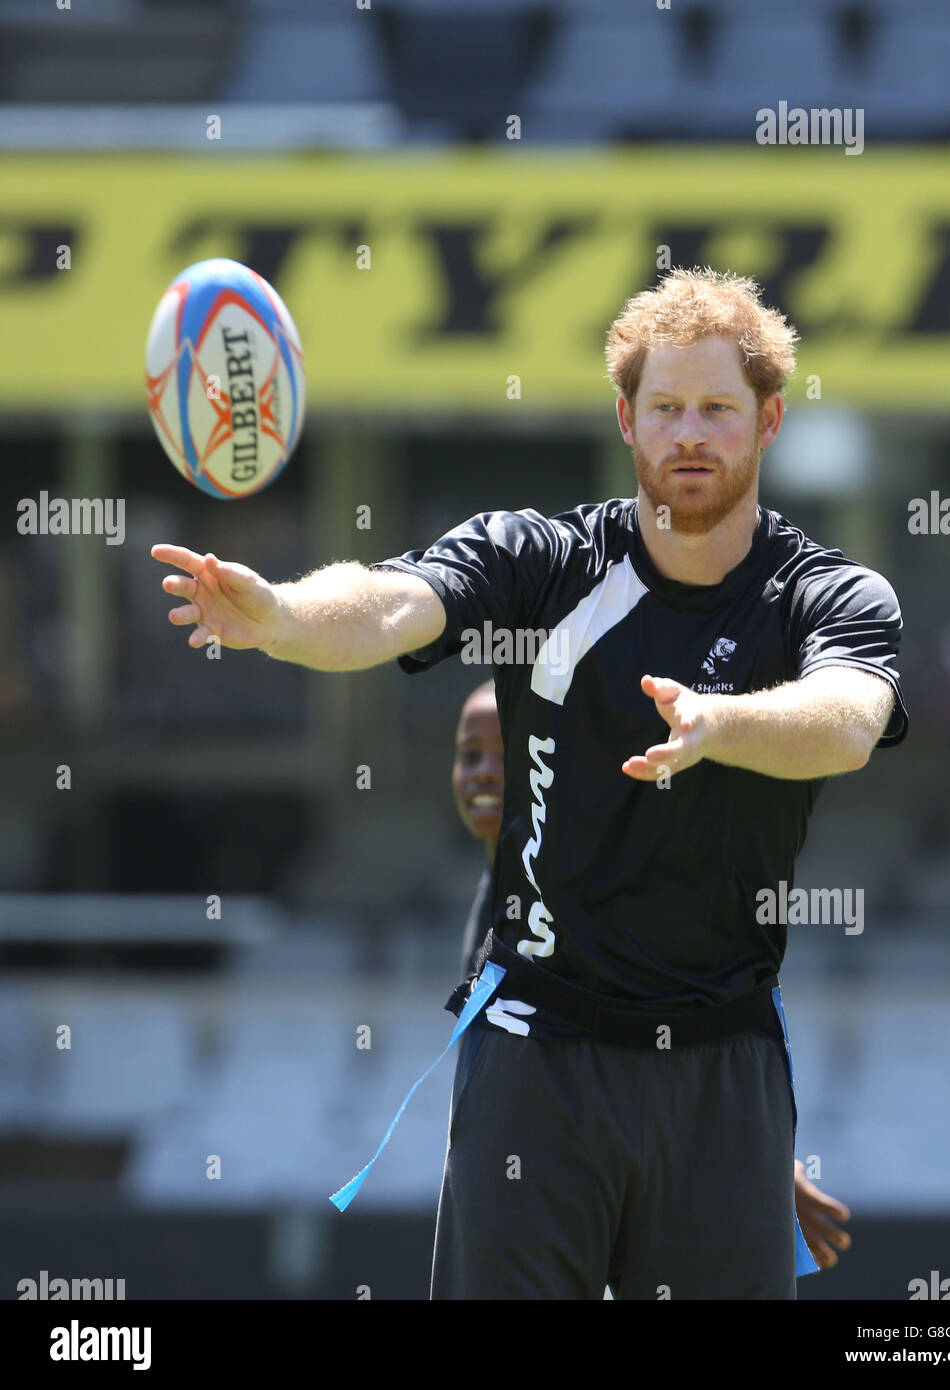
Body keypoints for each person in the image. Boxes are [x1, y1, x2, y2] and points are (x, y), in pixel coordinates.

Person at [152, 265, 907, 1299]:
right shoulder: (540, 561)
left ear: (768, 419)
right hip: (538, 1057)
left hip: (724, 1074)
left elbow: (849, 719)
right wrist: (281, 615)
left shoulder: (827, 592)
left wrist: (718, 722)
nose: (691, 432)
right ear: (625, 418)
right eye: (666, 407)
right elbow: (386, 602)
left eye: (718, 409)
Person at [451, 677, 853, 1274]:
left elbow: (660, 1047)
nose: (484, 772)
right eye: (468, 754)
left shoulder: (589, 906)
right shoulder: (501, 898)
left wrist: (744, 1153)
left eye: (510, 752)